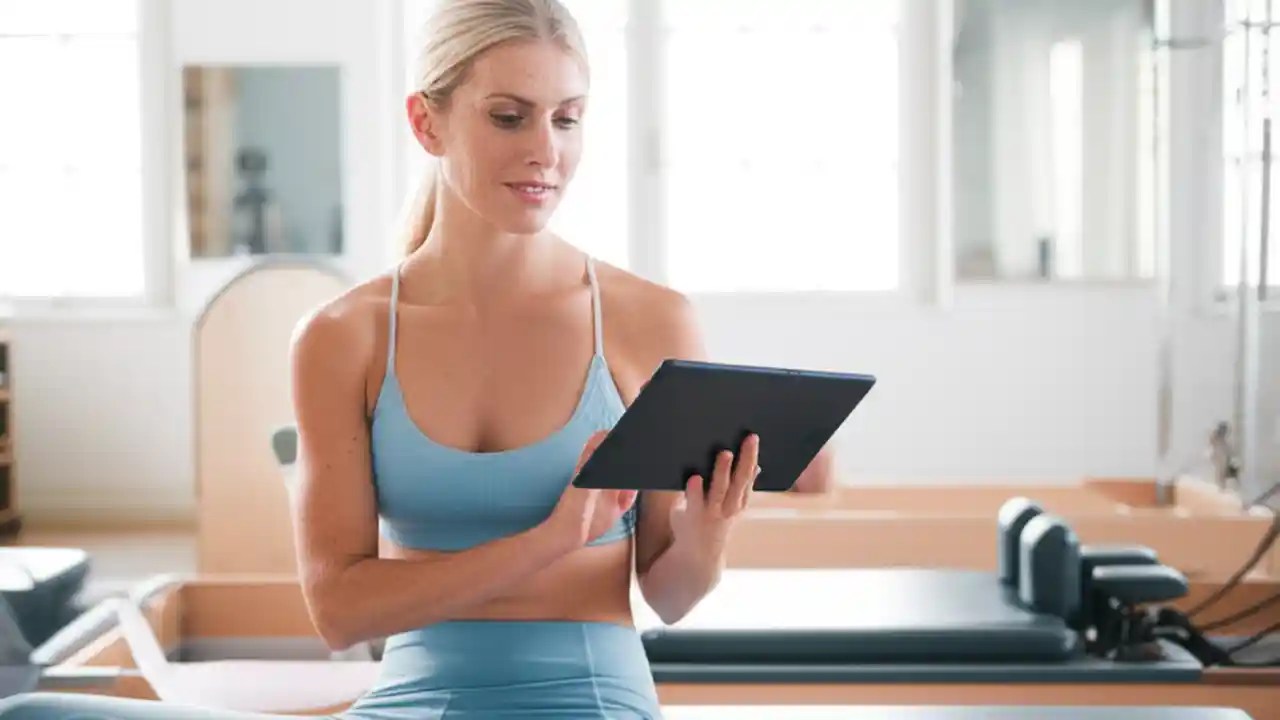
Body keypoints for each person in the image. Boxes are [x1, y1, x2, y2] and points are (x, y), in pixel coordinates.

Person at [0, 1, 836, 717]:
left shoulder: (648, 320)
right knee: (32, 710)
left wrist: (709, 536)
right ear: (426, 122)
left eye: (568, 117)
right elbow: (339, 612)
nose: (546, 149)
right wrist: (548, 541)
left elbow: (668, 595)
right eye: (509, 116)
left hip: (591, 696)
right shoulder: (344, 336)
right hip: (410, 701)